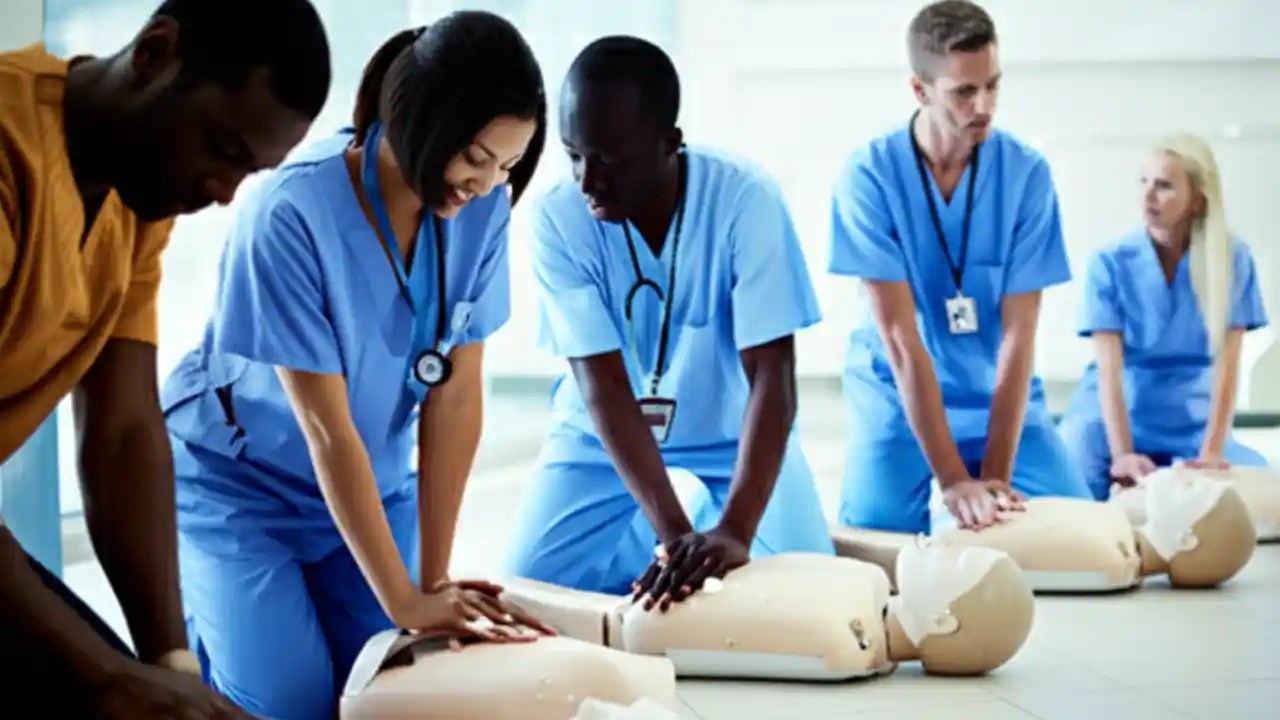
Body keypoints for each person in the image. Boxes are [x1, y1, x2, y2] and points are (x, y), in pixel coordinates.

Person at [159, 12, 556, 719]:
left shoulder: (482, 209)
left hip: (372, 482)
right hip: (243, 489)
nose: (489, 183)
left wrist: (432, 584)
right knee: (291, 702)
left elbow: (457, 395)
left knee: (387, 686)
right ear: (421, 118)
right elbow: (325, 430)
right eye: (474, 155)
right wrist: (404, 597)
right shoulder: (290, 211)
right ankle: (198, 642)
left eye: (509, 165)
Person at [0, 0, 330, 716]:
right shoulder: (9, 150)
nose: (221, 193)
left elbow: (122, 432)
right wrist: (110, 678)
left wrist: (172, 670)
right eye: (222, 149)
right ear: (155, 52)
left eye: (251, 173)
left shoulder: (134, 196)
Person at [505, 36, 834, 611]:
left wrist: (734, 529)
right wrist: (675, 538)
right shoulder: (558, 217)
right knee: (532, 591)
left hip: (735, 433)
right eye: (575, 154)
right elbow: (601, 388)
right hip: (600, 438)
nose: (588, 180)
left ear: (669, 144)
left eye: (610, 158)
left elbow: (773, 376)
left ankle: (718, 520)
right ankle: (641, 534)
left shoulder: (745, 200)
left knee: (805, 593)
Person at [827, 0, 1092, 534]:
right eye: (964, 91)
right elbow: (901, 340)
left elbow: (1020, 337)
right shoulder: (870, 176)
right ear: (920, 91)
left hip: (993, 391)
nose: (984, 106)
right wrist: (954, 482)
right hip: (895, 396)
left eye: (993, 85)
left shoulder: (1025, 174)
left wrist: (994, 477)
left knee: (1078, 529)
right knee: (878, 540)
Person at [1057, 134, 1269, 500]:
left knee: (1254, 493)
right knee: (1073, 488)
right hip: (1112, 415)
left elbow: (1228, 366)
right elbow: (1109, 371)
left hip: (1191, 419)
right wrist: (1123, 454)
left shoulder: (1232, 259)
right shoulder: (1110, 262)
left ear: (1197, 199)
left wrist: (1212, 452)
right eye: (1143, 182)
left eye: (1164, 186)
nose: (1147, 195)